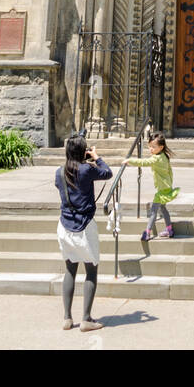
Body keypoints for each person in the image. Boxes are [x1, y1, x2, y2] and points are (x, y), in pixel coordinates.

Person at [55, 134, 112, 331]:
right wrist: (96, 157)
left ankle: (67, 318)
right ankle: (86, 318)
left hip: (64, 225)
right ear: (83, 151)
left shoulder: (59, 172)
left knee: (70, 269)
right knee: (91, 270)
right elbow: (107, 173)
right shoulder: (88, 169)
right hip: (85, 226)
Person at [122, 132, 179, 242]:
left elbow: (144, 162)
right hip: (166, 187)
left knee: (153, 211)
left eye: (153, 147)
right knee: (163, 208)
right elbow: (170, 172)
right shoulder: (164, 156)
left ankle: (147, 232)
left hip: (162, 190)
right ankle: (169, 229)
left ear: (161, 147)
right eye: (149, 146)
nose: (151, 149)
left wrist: (129, 161)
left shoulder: (157, 159)